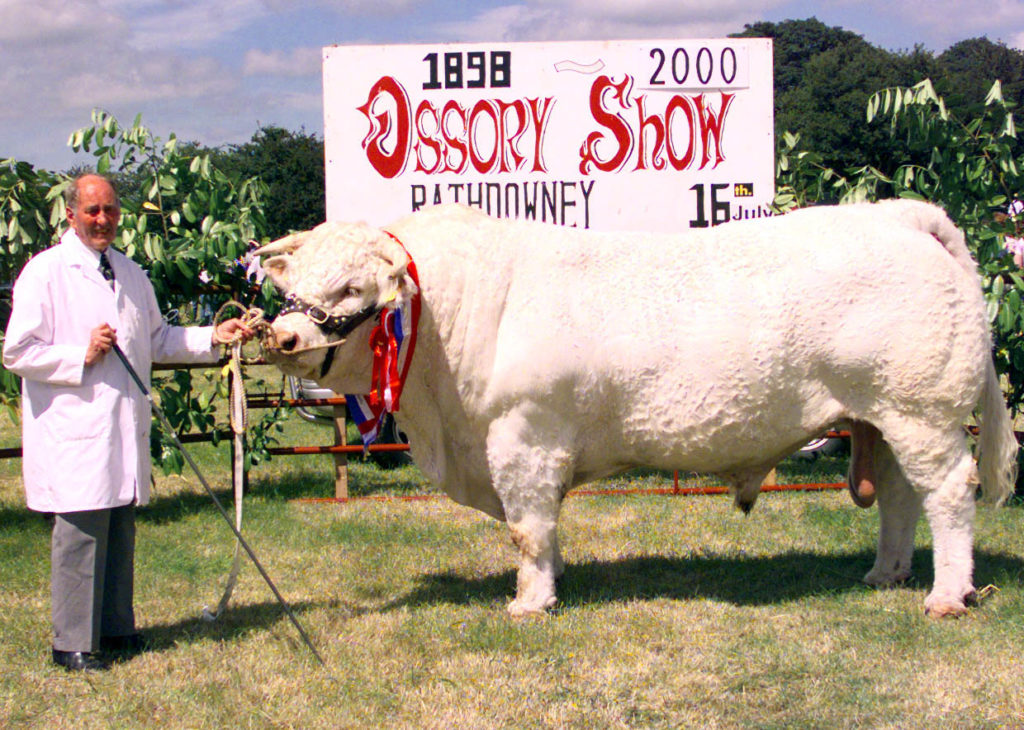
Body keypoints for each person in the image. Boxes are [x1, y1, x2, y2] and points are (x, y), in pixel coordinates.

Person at [2, 173, 253, 671]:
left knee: (119, 526)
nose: (103, 221)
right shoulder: (45, 272)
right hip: (74, 427)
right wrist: (81, 353)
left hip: (120, 426)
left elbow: (158, 340)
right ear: (70, 214)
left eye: (111, 211)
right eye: (93, 211)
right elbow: (18, 351)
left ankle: (117, 629)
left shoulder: (132, 274)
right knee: (81, 533)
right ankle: (72, 642)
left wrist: (214, 337)